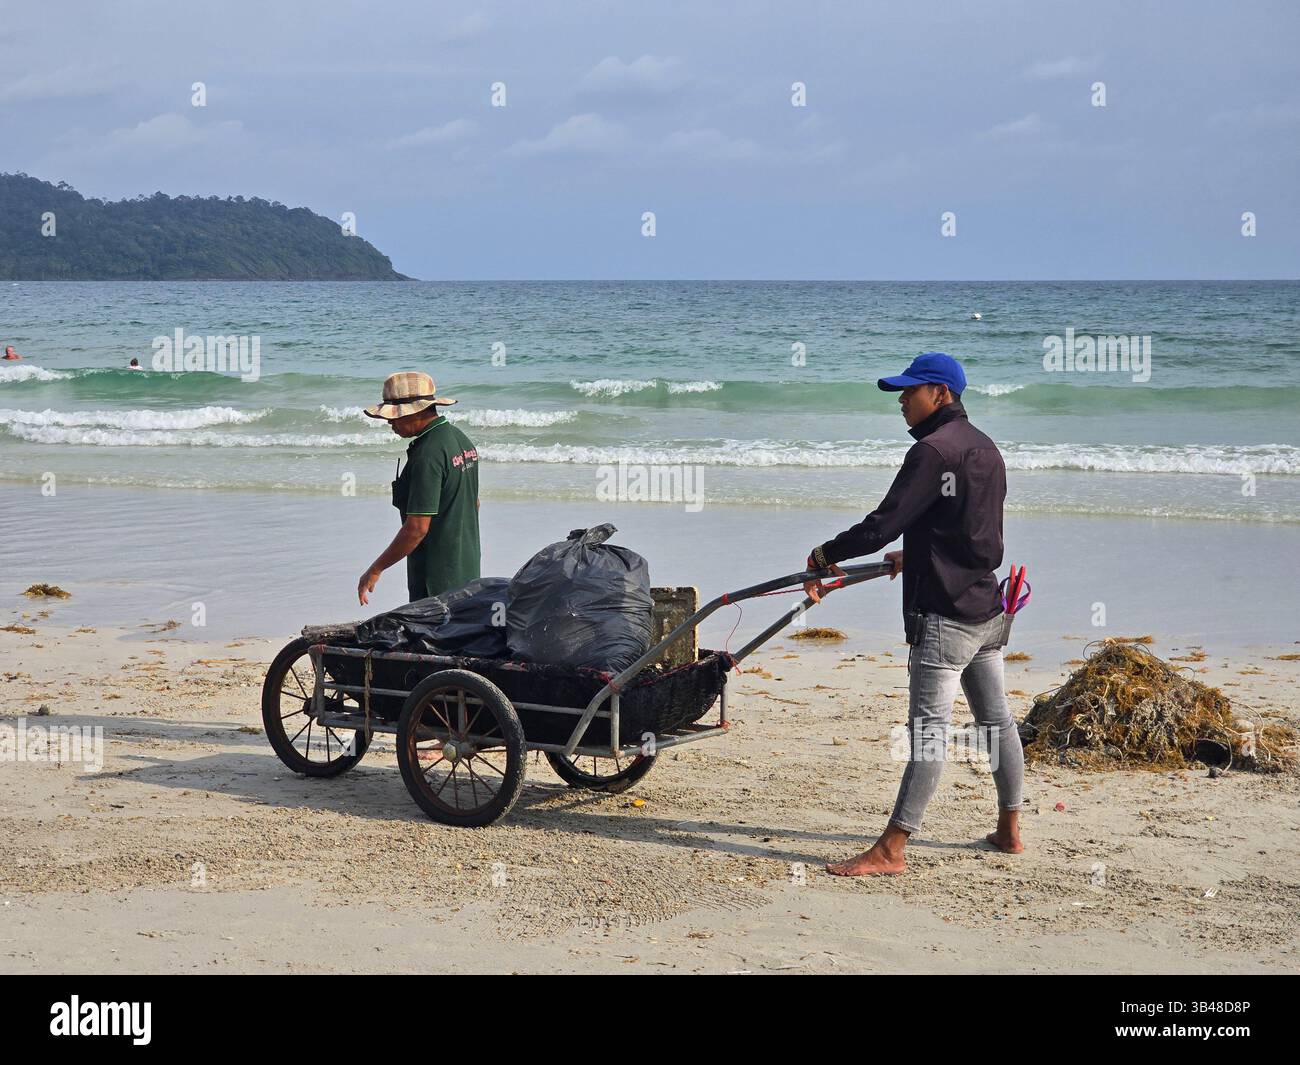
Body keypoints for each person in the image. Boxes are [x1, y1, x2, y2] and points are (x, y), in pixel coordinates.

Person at [803, 352, 1024, 876]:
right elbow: (972, 530)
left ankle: (892, 848)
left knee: (928, 731)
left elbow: (881, 525)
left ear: (940, 394)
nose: (901, 401)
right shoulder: (985, 448)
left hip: (945, 619)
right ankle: (1010, 829)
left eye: (910, 391)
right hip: (988, 609)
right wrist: (920, 551)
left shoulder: (932, 452)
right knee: (997, 721)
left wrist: (823, 556)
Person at [356, 372, 481, 606]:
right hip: (467, 569)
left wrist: (375, 569)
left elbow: (416, 528)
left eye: (395, 417)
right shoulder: (462, 440)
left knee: (435, 636)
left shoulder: (428, 454)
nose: (390, 423)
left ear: (419, 410)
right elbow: (474, 503)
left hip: (436, 578)